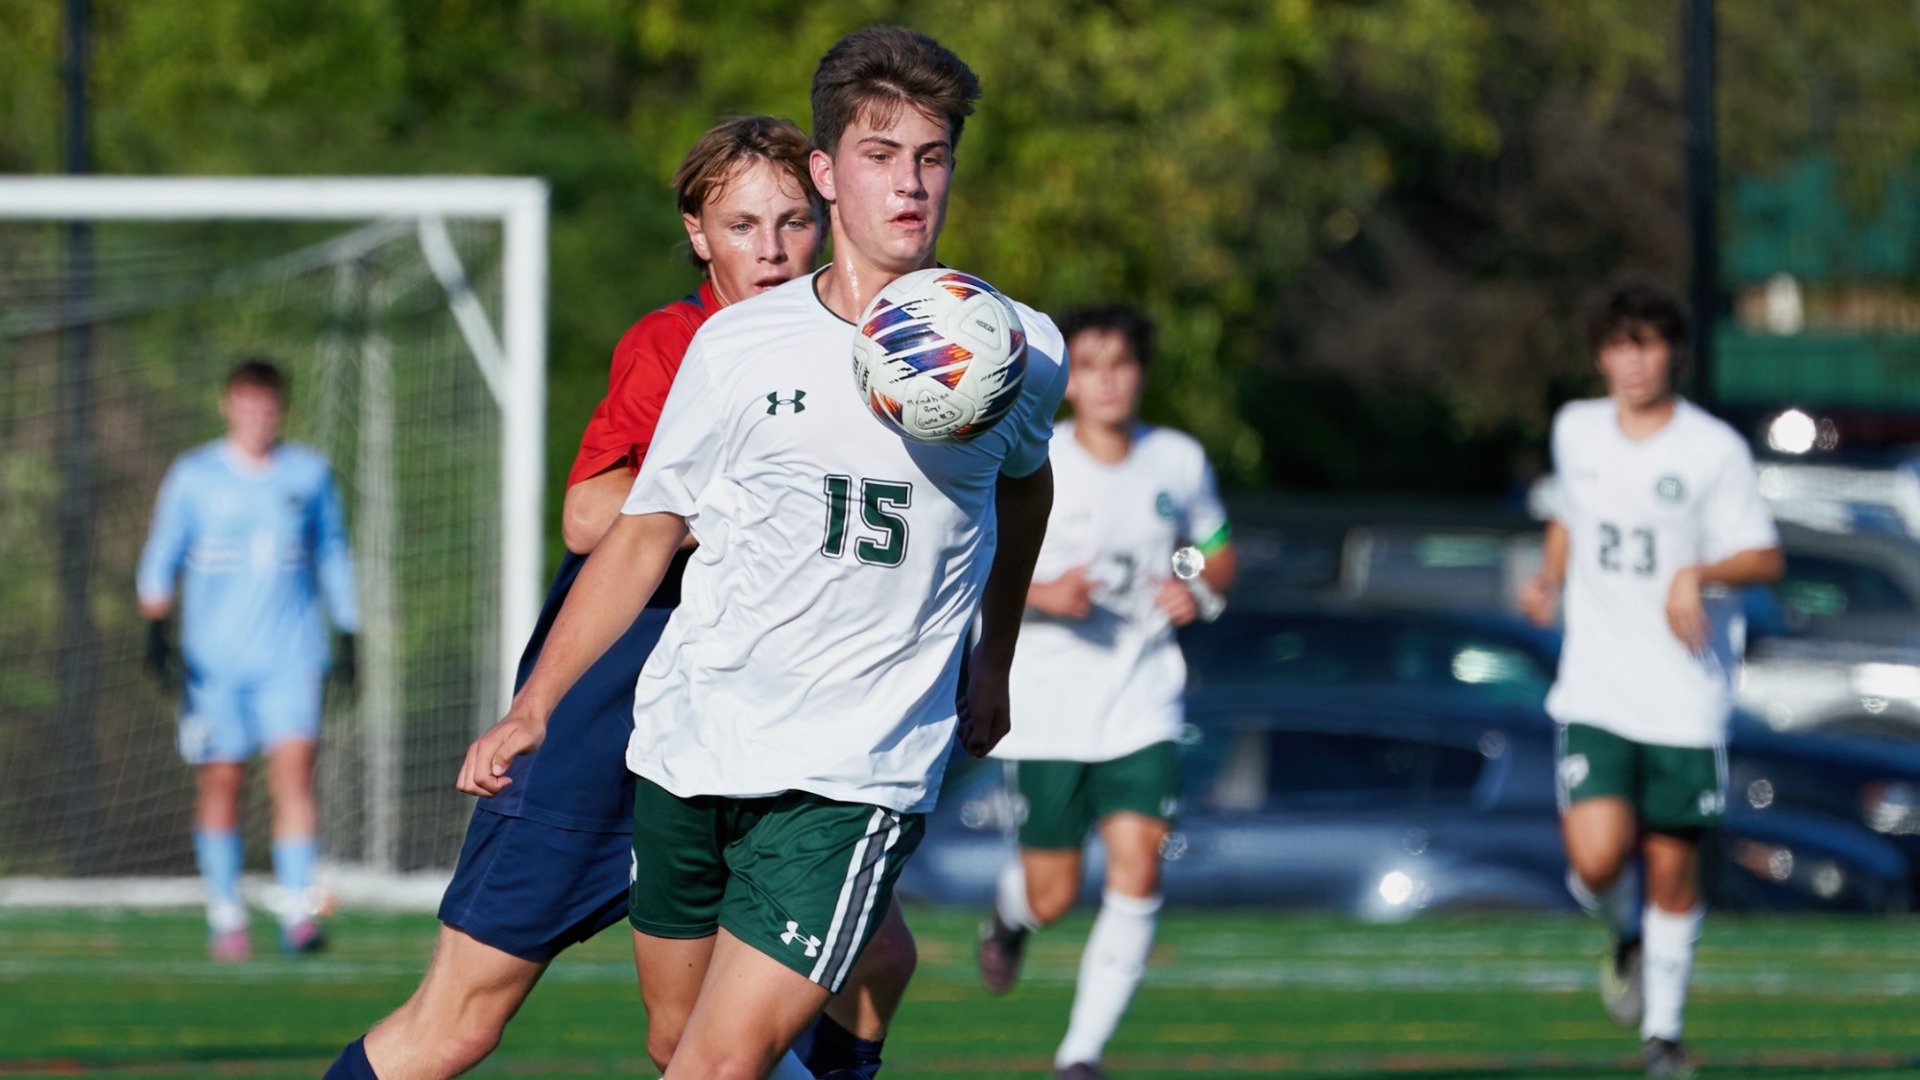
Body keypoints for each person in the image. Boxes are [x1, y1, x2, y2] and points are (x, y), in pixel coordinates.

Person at [458, 26, 1067, 1080]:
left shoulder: (1016, 348)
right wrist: (536, 705)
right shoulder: (736, 343)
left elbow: (1027, 487)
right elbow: (644, 531)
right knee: (675, 1044)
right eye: (881, 155)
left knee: (717, 1063)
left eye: (932, 157)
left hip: (853, 773)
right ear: (826, 172)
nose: (910, 184)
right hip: (692, 747)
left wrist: (996, 659)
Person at [324, 117, 919, 1080]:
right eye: (741, 225)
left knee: (870, 963)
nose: (771, 250)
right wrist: (742, 500)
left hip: (753, 730)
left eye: (793, 222)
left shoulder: (869, 352)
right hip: (602, 725)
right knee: (458, 1023)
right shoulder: (679, 343)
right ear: (698, 234)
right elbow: (590, 514)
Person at [1519, 281, 1782, 1078]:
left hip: (1685, 693)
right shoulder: (1576, 429)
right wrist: (1549, 576)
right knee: (1597, 860)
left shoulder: (1712, 450)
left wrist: (1698, 574)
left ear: (1674, 353)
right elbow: (1568, 514)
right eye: (1619, 346)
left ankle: (1662, 1036)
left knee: (1671, 866)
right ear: (1601, 357)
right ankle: (1624, 934)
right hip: (1596, 685)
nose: (1634, 362)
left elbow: (1765, 556)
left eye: (1649, 345)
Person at [975, 303, 1237, 1080]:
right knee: (1051, 896)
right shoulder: (1033, 455)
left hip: (1142, 697)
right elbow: (977, 561)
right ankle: (1010, 915)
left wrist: (1197, 586)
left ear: (1141, 372)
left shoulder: (1177, 459)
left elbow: (1214, 548)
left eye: (1119, 364)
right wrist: (1043, 594)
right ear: (1067, 381)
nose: (1106, 381)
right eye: (1088, 367)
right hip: (1048, 707)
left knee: (1139, 862)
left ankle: (1080, 1056)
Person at [137, 359, 358, 961]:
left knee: (293, 774)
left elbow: (333, 552)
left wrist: (348, 632)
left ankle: (297, 913)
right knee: (222, 778)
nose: (257, 416)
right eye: (246, 404)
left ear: (279, 409)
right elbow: (163, 550)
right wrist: (156, 628)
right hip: (213, 665)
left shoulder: (308, 474)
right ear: (227, 406)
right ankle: (226, 914)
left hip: (291, 657)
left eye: (266, 405)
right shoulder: (195, 476)